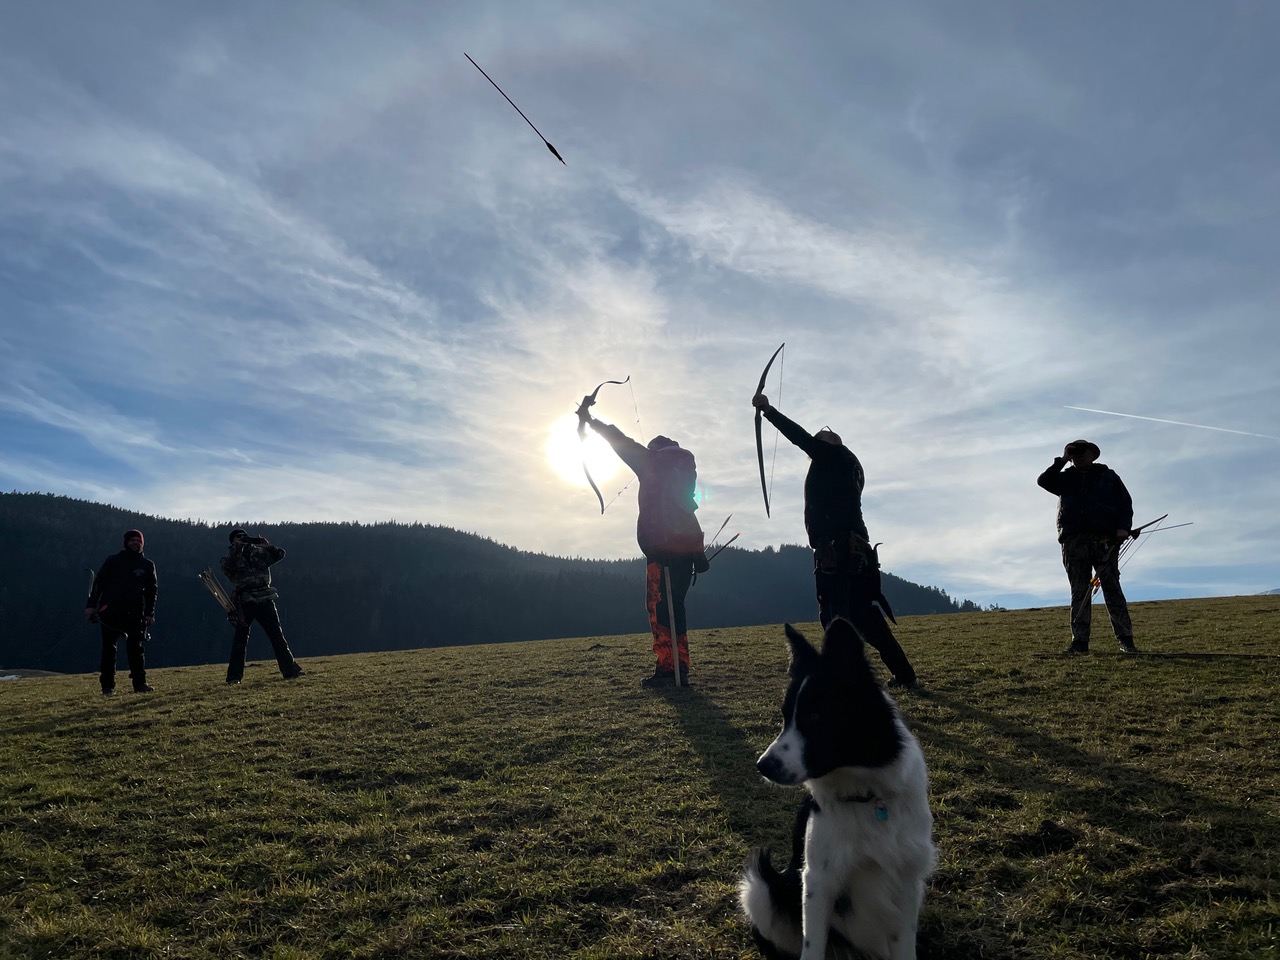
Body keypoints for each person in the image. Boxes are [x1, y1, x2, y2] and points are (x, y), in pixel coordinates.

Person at [751, 393, 918, 688]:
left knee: (835, 617)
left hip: (837, 550)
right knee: (866, 618)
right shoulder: (851, 466)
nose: (812, 451)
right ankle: (903, 673)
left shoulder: (835, 456)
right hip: (857, 551)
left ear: (830, 443)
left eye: (818, 444)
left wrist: (768, 410)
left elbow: (801, 438)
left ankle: (843, 682)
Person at [578, 406, 708, 687]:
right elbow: (689, 515)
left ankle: (667, 671)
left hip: (661, 553)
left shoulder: (652, 463)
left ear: (655, 450)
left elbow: (620, 440)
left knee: (661, 609)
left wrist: (592, 422)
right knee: (677, 608)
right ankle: (679, 668)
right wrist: (699, 554)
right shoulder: (684, 476)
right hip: (685, 555)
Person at [1037, 439, 1137, 654]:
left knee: (1112, 588)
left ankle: (1126, 640)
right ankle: (1079, 643)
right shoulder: (1065, 478)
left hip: (1105, 540)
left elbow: (1124, 504)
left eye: (1084, 452)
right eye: (1075, 452)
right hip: (1073, 541)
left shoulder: (1108, 477)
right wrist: (1062, 459)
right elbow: (1044, 481)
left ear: (1093, 454)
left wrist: (1122, 527)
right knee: (1079, 590)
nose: (1079, 455)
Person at [220, 528, 304, 683]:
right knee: (240, 639)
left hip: (265, 597)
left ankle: (290, 670)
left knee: (277, 636)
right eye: (239, 537)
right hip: (244, 600)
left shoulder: (258, 553)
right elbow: (228, 567)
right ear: (232, 541)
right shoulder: (229, 558)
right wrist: (238, 549)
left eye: (245, 536)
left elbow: (279, 554)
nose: (244, 538)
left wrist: (267, 545)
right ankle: (234, 677)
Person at [85, 528, 157, 695]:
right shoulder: (113, 561)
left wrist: (149, 613)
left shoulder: (147, 565)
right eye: (132, 540)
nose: (135, 543)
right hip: (109, 612)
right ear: (126, 543)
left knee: (136, 649)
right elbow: (98, 584)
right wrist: (91, 605)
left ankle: (140, 684)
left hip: (136, 614)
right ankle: (107, 687)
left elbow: (152, 592)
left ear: (142, 544)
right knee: (109, 650)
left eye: (138, 541)